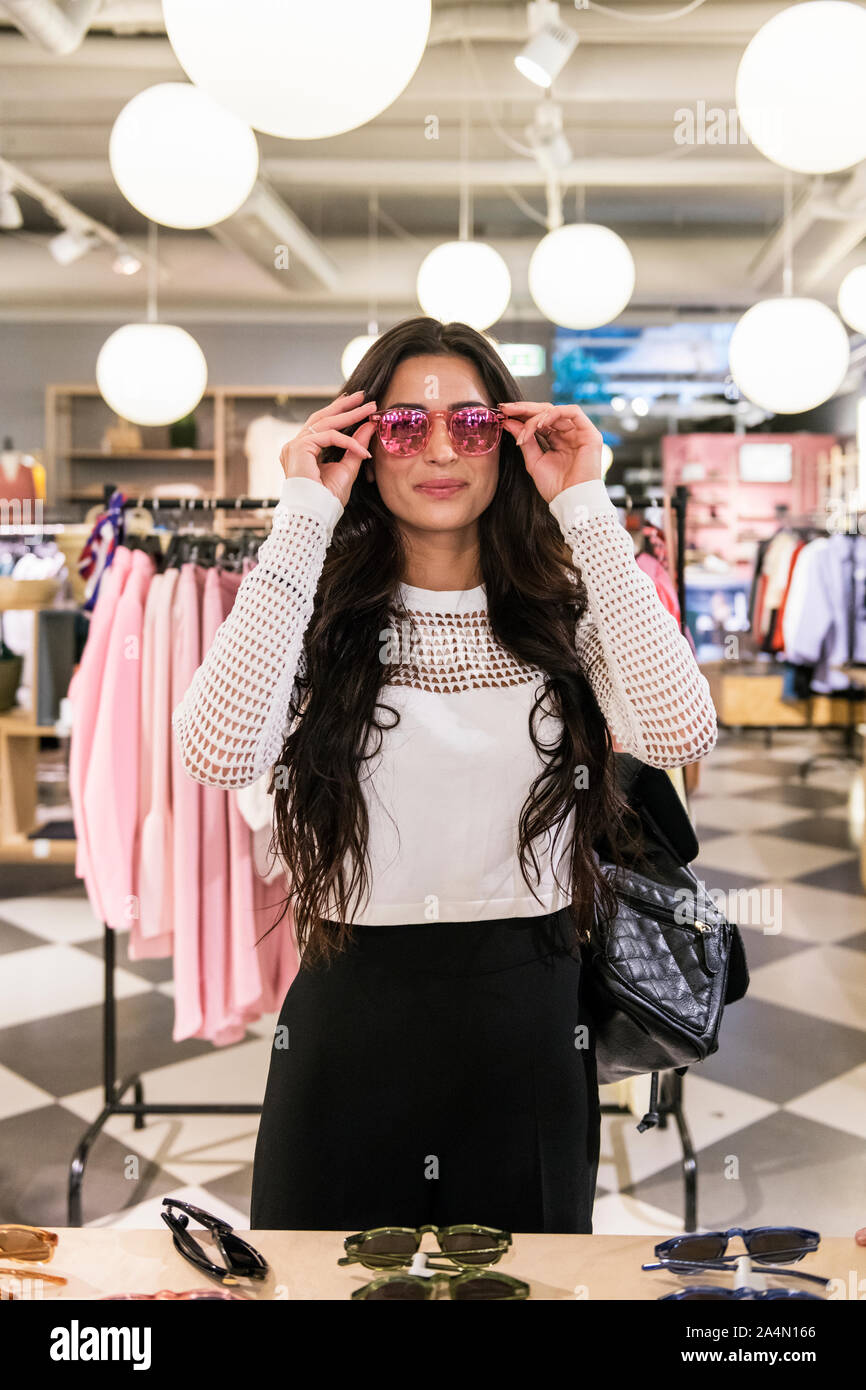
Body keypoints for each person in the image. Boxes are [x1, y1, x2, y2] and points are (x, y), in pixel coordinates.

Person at [172, 316, 717, 1234]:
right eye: (402, 427)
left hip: (531, 1015)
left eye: (469, 425)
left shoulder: (563, 611)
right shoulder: (316, 613)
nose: (438, 450)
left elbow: (679, 725)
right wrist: (305, 512)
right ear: (363, 443)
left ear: (505, 444)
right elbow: (217, 751)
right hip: (351, 1013)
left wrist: (584, 504)